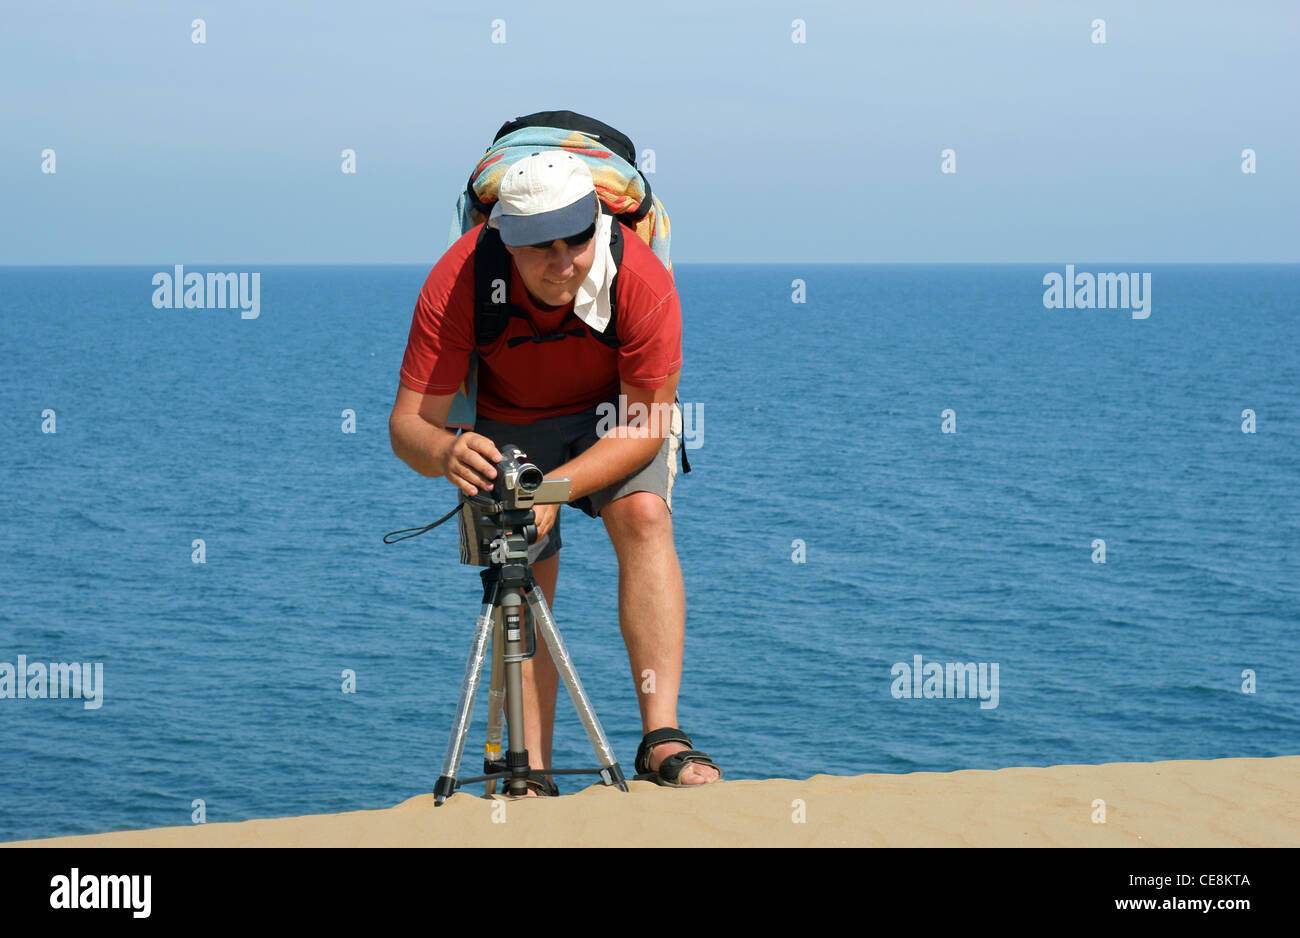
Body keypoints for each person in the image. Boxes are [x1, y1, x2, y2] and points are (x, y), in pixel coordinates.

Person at [389, 151, 721, 794]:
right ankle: (531, 769)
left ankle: (661, 739)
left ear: (597, 221)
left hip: (615, 415)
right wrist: (444, 452)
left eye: (577, 236)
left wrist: (558, 486)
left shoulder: (644, 280)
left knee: (643, 514)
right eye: (541, 244)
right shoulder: (458, 281)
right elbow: (407, 426)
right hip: (507, 417)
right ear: (504, 240)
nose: (564, 259)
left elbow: (648, 423)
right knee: (523, 558)